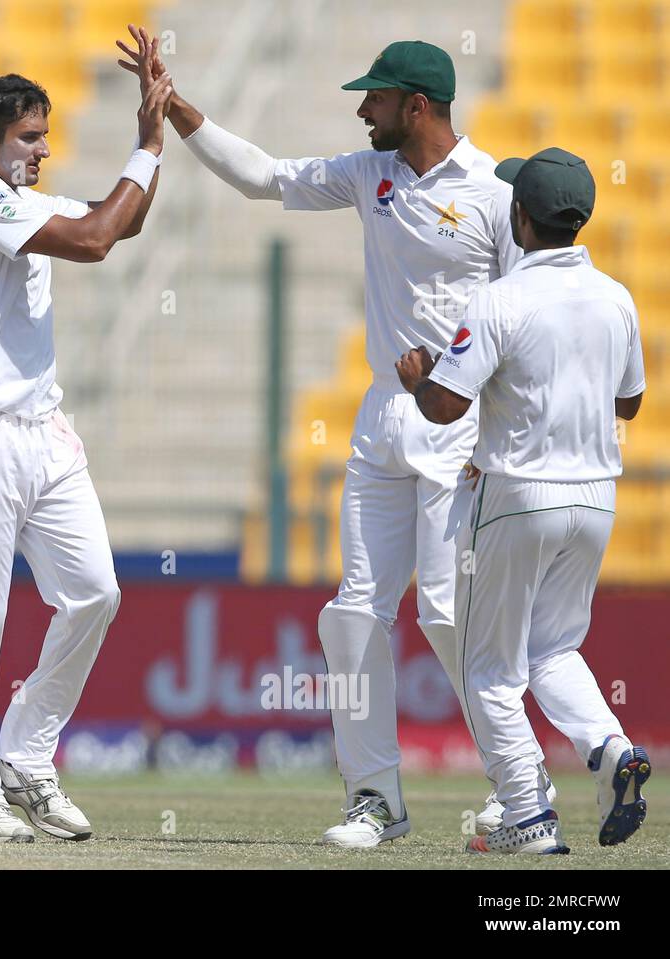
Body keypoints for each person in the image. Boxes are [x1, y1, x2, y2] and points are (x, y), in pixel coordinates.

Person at [118, 29, 550, 846]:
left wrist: (475, 399)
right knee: (353, 615)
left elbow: (520, 316)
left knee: (453, 617)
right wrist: (172, 106)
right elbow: (262, 176)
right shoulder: (369, 174)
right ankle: (375, 800)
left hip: (458, 427)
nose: (362, 111)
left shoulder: (496, 192)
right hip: (383, 417)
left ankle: (514, 785)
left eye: (376, 99)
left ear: (416, 106)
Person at [0, 53, 170, 841]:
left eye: (46, 136)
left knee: (96, 590)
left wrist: (151, 137)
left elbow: (120, 220)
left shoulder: (18, 197)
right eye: (29, 137)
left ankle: (25, 754)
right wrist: (148, 153)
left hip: (44, 430)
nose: (42, 150)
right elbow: (96, 239)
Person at [396, 147, 651, 854]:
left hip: (516, 494)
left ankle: (528, 815)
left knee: (488, 671)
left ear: (517, 215)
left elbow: (446, 404)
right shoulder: (616, 296)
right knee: (554, 648)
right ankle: (610, 747)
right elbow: (628, 400)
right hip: (595, 499)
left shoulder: (500, 298)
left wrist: (419, 376)